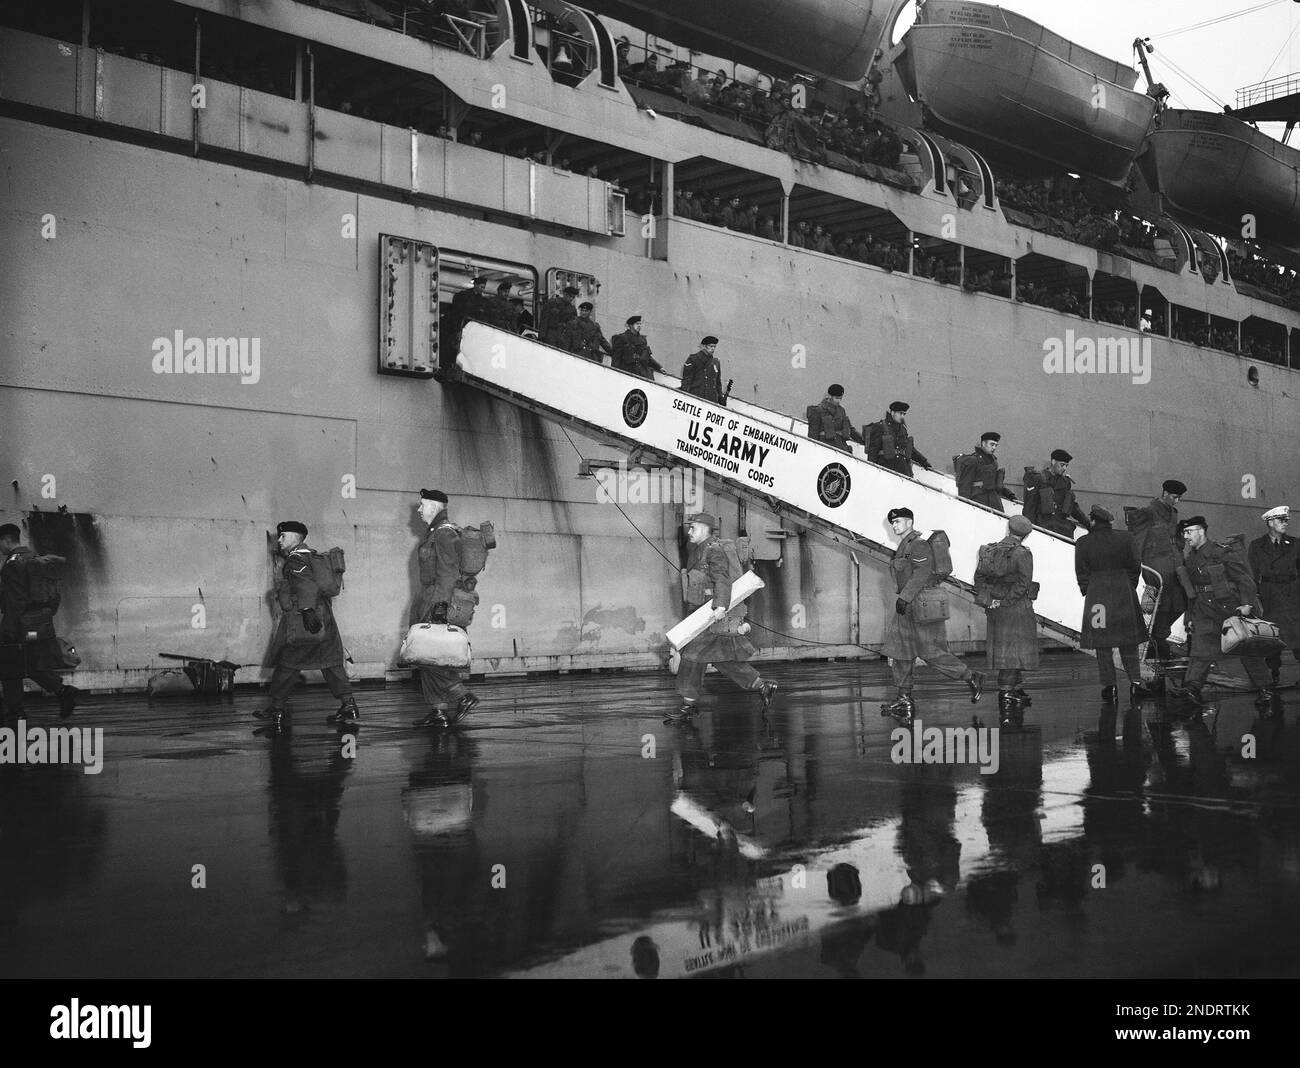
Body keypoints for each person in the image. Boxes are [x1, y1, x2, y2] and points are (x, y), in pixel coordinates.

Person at [667, 512, 777, 722]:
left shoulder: (713, 550)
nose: (690, 531)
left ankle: (689, 706)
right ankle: (763, 686)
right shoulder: (700, 550)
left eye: (694, 528)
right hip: (703, 614)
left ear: (706, 529)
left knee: (693, 656)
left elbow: (722, 580)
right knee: (721, 659)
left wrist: (720, 607)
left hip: (711, 615)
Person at [879, 508, 983, 723]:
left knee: (931, 652)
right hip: (908, 607)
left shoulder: (917, 543)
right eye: (893, 523)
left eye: (898, 521)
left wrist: (905, 597)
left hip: (920, 605)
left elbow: (922, 573)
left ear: (910, 522)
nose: (895, 526)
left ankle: (971, 676)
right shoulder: (905, 544)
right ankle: (904, 699)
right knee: (900, 652)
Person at [254, 521, 359, 731]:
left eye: (284, 536)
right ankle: (349, 705)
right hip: (325, 617)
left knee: (288, 662)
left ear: (296, 537)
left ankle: (277, 707)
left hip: (303, 617)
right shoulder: (314, 556)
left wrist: (307, 610)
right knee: (331, 662)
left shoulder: (295, 559)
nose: (280, 540)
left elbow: (305, 585)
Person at [1174, 516, 1274, 709]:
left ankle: (1265, 689)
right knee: (1201, 650)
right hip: (1203, 608)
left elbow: (1245, 580)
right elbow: (1191, 592)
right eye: (1184, 533)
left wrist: (1246, 604)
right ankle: (1192, 688)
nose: (1186, 536)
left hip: (1228, 608)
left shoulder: (1221, 552)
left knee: (1246, 650)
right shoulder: (1191, 559)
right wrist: (1189, 617)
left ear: (1201, 531)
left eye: (1189, 532)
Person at [410, 489, 482, 728]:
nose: (419, 510)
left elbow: (448, 573)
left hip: (438, 601)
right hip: (432, 598)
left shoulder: (443, 534)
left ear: (435, 506)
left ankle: (462, 697)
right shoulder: (436, 533)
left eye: (422, 505)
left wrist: (440, 607)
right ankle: (438, 711)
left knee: (430, 656)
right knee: (431, 657)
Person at [0, 524, 79, 719]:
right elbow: (54, 596)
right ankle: (64, 691)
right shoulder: (36, 558)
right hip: (40, 625)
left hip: (20, 625)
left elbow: (15, 601)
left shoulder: (12, 564)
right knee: (34, 664)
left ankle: (16, 711)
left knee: (10, 667)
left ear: (6, 540)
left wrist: (7, 629)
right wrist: (43, 615)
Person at [1074, 505, 1145, 705]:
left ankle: (1110, 686)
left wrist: (1089, 589)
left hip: (1098, 597)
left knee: (1102, 644)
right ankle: (1136, 683)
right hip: (1123, 592)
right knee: (1128, 642)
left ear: (1094, 521)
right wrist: (1129, 585)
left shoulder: (1083, 542)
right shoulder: (1126, 538)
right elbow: (1135, 565)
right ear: (1109, 522)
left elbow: (1081, 571)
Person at [974, 515, 1038, 725]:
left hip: (995, 606)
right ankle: (1008, 693)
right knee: (1015, 648)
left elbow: (979, 578)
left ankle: (1015, 689)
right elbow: (1023, 583)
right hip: (1015, 607)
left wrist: (991, 599)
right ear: (1026, 534)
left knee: (1004, 647)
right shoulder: (1022, 554)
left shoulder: (989, 550)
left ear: (1008, 529)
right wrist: (1005, 601)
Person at [1129, 479, 1187, 687]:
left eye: (1179, 497)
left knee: (1179, 605)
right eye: (1173, 496)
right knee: (1155, 611)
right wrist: (1140, 571)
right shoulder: (1148, 511)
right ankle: (1156, 646)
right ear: (1164, 493)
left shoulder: (1174, 514)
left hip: (1174, 570)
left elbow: (1176, 541)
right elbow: (1138, 541)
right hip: (1156, 572)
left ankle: (1160, 639)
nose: (1176, 501)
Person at [1248, 505, 1300, 686]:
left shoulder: (1295, 543)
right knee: (1272, 637)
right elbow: (1252, 573)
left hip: (1292, 594)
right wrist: (1253, 598)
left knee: (1297, 635)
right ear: (1270, 523)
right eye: (1281, 520)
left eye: (1286, 520)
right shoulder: (1257, 545)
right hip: (1269, 594)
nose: (1285, 524)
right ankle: (1273, 672)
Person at [1023, 449, 1091, 538]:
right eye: (1062, 465)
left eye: (1066, 466)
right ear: (1053, 461)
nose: (1064, 468)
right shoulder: (1038, 478)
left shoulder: (1065, 482)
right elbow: (1029, 507)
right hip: (1042, 527)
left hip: (1062, 527)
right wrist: (1029, 530)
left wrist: (1087, 523)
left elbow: (1072, 506)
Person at [955, 433, 1017, 512]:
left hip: (994, 501)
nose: (994, 447)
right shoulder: (972, 460)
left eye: (996, 445)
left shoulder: (993, 461)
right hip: (978, 500)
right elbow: (964, 486)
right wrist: (963, 507)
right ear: (983, 443)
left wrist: (1009, 494)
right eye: (992, 444)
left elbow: (995, 482)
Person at [867, 401, 931, 477]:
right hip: (886, 470)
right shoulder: (880, 427)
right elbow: (873, 451)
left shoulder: (903, 429)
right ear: (892, 412)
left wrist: (923, 461)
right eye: (900, 413)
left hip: (904, 470)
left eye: (904, 414)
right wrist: (871, 470)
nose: (902, 416)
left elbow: (909, 448)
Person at [809, 384, 864, 452]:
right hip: (824, 448)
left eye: (840, 398)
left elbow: (851, 430)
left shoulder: (841, 411)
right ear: (830, 396)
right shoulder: (818, 410)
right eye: (836, 398)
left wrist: (865, 442)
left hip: (841, 449)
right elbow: (813, 435)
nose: (839, 401)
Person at [681, 336, 724, 404]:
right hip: (696, 398)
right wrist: (685, 397)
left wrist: (720, 397)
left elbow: (718, 383)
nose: (713, 349)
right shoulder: (693, 359)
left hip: (711, 400)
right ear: (704, 346)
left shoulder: (716, 362)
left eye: (714, 346)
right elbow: (686, 381)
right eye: (711, 346)